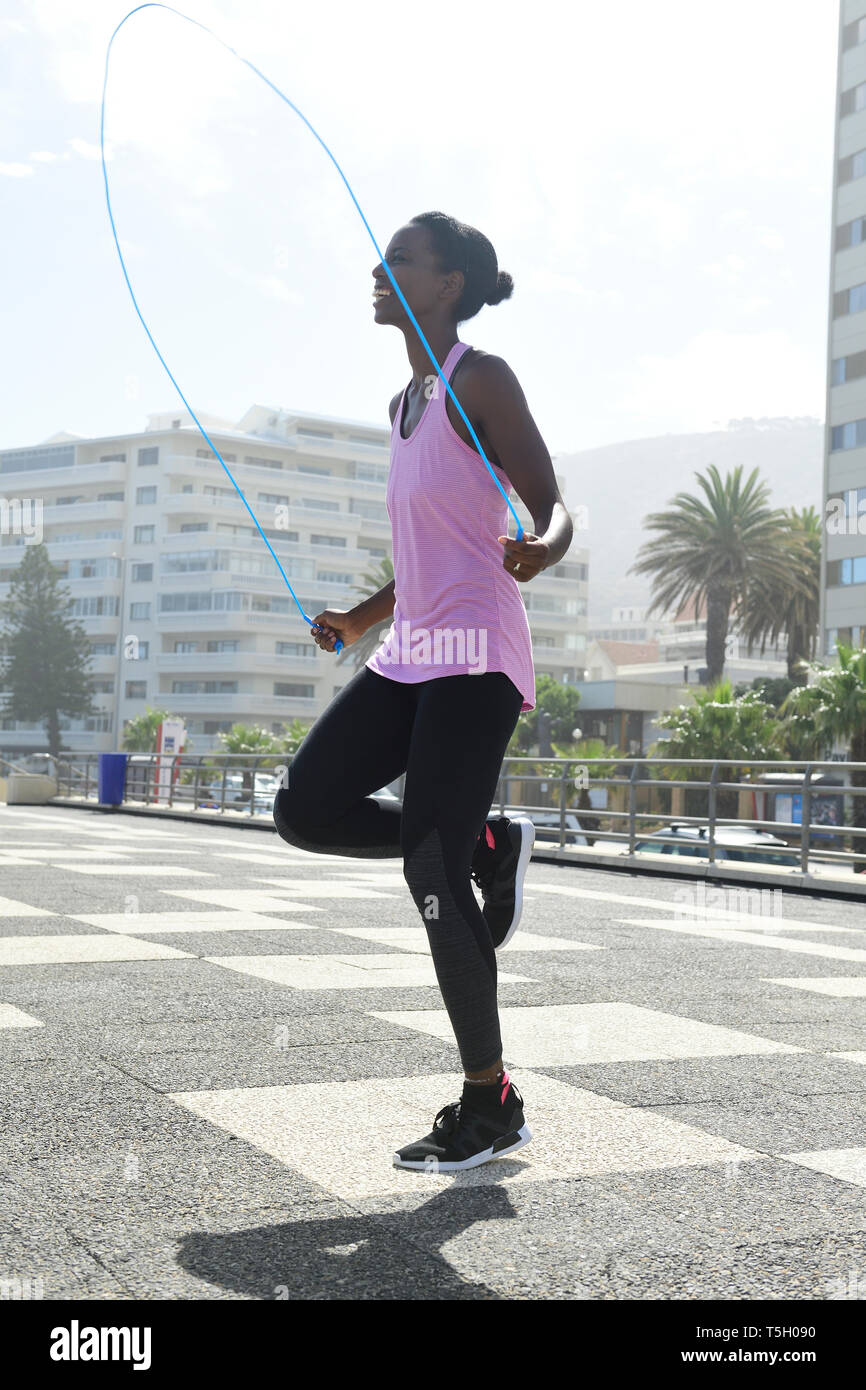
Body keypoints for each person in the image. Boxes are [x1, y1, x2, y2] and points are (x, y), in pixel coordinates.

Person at [273, 211, 573, 1171]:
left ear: (448, 285)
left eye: (399, 258)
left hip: (478, 652)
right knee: (306, 807)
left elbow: (553, 502)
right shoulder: (403, 402)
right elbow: (427, 551)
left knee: (430, 866)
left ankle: (491, 1102)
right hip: (408, 652)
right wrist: (361, 621)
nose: (377, 267)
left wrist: (543, 545)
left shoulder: (478, 377)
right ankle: (485, 841)